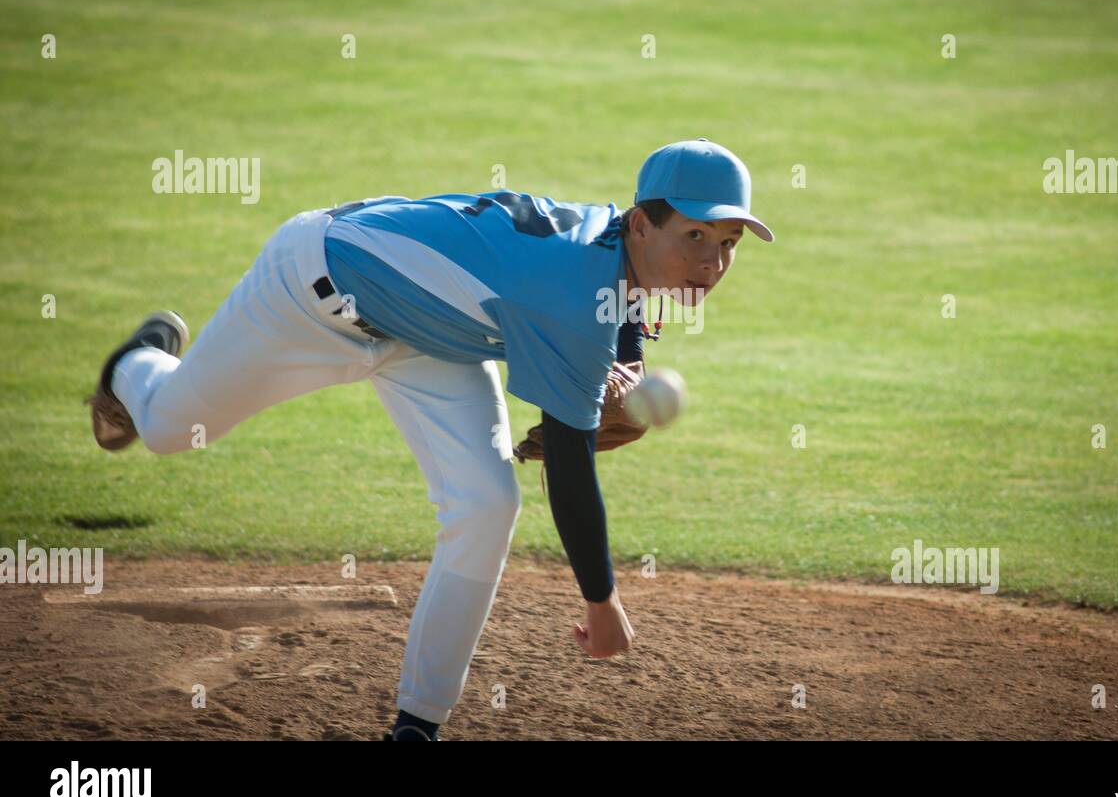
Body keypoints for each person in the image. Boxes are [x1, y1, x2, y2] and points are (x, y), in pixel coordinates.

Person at [85, 138, 774, 740]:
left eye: (728, 243)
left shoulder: (607, 248)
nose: (713, 262)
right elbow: (568, 469)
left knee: (485, 503)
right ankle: (136, 363)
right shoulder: (569, 291)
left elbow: (614, 313)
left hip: (431, 337)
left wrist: (620, 375)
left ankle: (418, 725)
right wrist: (603, 604)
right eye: (696, 236)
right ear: (642, 223)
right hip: (308, 288)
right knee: (172, 427)